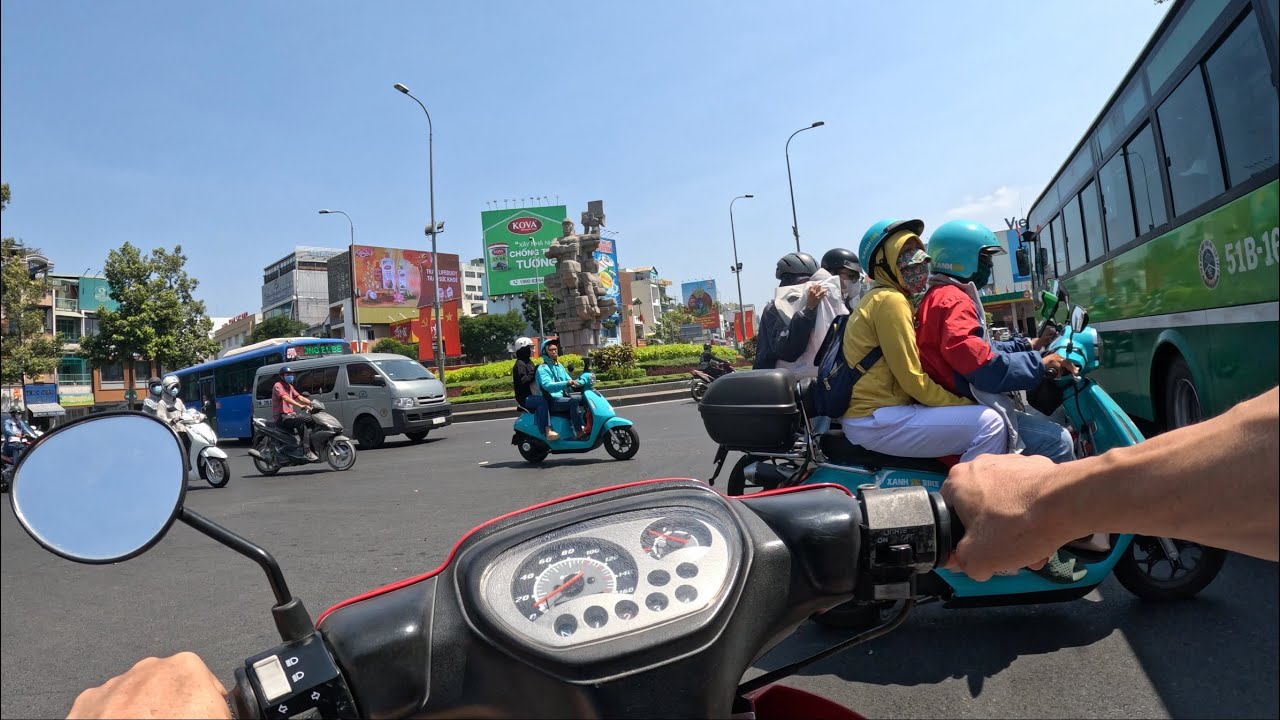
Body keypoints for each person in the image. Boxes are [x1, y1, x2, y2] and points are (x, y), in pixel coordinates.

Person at [945, 385, 1280, 581]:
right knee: (1057, 440)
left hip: (967, 404)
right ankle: (1056, 543)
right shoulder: (944, 299)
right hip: (962, 406)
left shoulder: (946, 297)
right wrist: (1039, 506)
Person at [839, 219, 1007, 462]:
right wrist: (964, 402)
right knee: (991, 423)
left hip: (883, 412)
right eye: (904, 254)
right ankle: (967, 498)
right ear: (883, 263)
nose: (917, 262)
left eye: (918, 252)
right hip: (876, 417)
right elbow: (913, 379)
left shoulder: (884, 298)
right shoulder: (890, 301)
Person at [915, 220, 1078, 464]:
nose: (990, 265)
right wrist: (1039, 364)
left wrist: (1028, 345)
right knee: (1058, 440)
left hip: (960, 402)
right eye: (984, 258)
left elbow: (981, 346)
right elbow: (978, 363)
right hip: (968, 403)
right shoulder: (953, 300)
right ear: (962, 256)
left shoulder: (939, 296)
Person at [752, 251, 824, 370]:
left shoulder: (818, 306)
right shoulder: (774, 309)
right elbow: (787, 350)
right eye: (804, 284)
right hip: (774, 383)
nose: (809, 289)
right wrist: (808, 311)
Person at [536, 338, 585, 439]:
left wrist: (579, 383)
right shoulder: (543, 368)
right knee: (573, 402)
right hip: (552, 399)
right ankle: (579, 431)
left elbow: (569, 381)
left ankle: (587, 425)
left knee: (585, 399)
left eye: (555, 349)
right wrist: (566, 383)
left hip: (563, 397)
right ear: (545, 352)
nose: (554, 352)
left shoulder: (559, 366)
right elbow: (548, 386)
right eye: (551, 350)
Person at [512, 336, 555, 440]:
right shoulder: (520, 365)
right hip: (525, 398)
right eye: (530, 348)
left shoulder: (529, 362)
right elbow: (524, 381)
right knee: (541, 401)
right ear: (523, 349)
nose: (532, 350)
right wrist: (534, 371)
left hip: (533, 393)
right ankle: (547, 430)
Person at [272, 366, 316, 460]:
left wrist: (312, 403)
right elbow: (285, 398)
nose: (290, 376)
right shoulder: (278, 385)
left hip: (290, 415)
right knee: (300, 421)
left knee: (312, 420)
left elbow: (299, 397)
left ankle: (311, 445)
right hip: (281, 417)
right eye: (287, 374)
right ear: (282, 376)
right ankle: (306, 451)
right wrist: (300, 406)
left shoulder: (290, 387)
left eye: (291, 374)